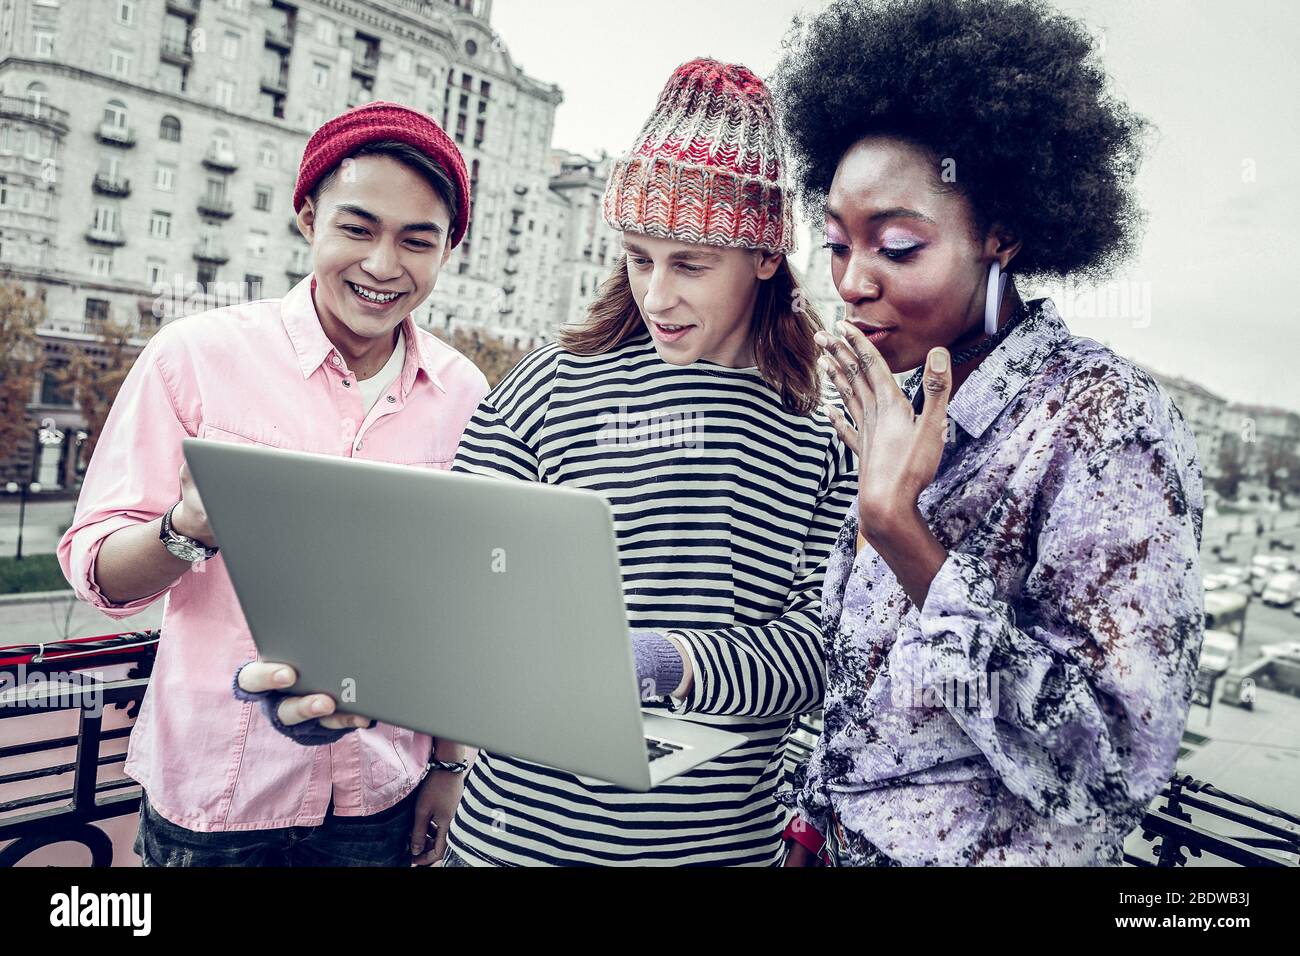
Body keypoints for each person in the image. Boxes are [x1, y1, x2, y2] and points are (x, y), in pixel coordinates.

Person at [241, 58, 858, 866]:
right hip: (510, 845)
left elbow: (832, 647)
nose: (657, 295)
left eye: (691, 265)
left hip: (717, 851)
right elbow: (441, 588)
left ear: (767, 258)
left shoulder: (826, 422)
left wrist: (669, 662)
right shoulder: (547, 382)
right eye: (639, 257)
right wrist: (353, 683)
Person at [772, 0, 1205, 866]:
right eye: (834, 243)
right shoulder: (886, 398)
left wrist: (904, 537)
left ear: (999, 233)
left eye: (896, 246)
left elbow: (1111, 773)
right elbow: (867, 692)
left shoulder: (1104, 421)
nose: (852, 282)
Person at [57, 102, 488, 866]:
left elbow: (463, 612)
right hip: (214, 807)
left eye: (417, 241)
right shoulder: (190, 357)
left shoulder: (465, 394)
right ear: (306, 218)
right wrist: (185, 530)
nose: (384, 265)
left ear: (448, 249)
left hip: (380, 798)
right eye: (357, 229)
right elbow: (98, 575)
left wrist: (450, 767)